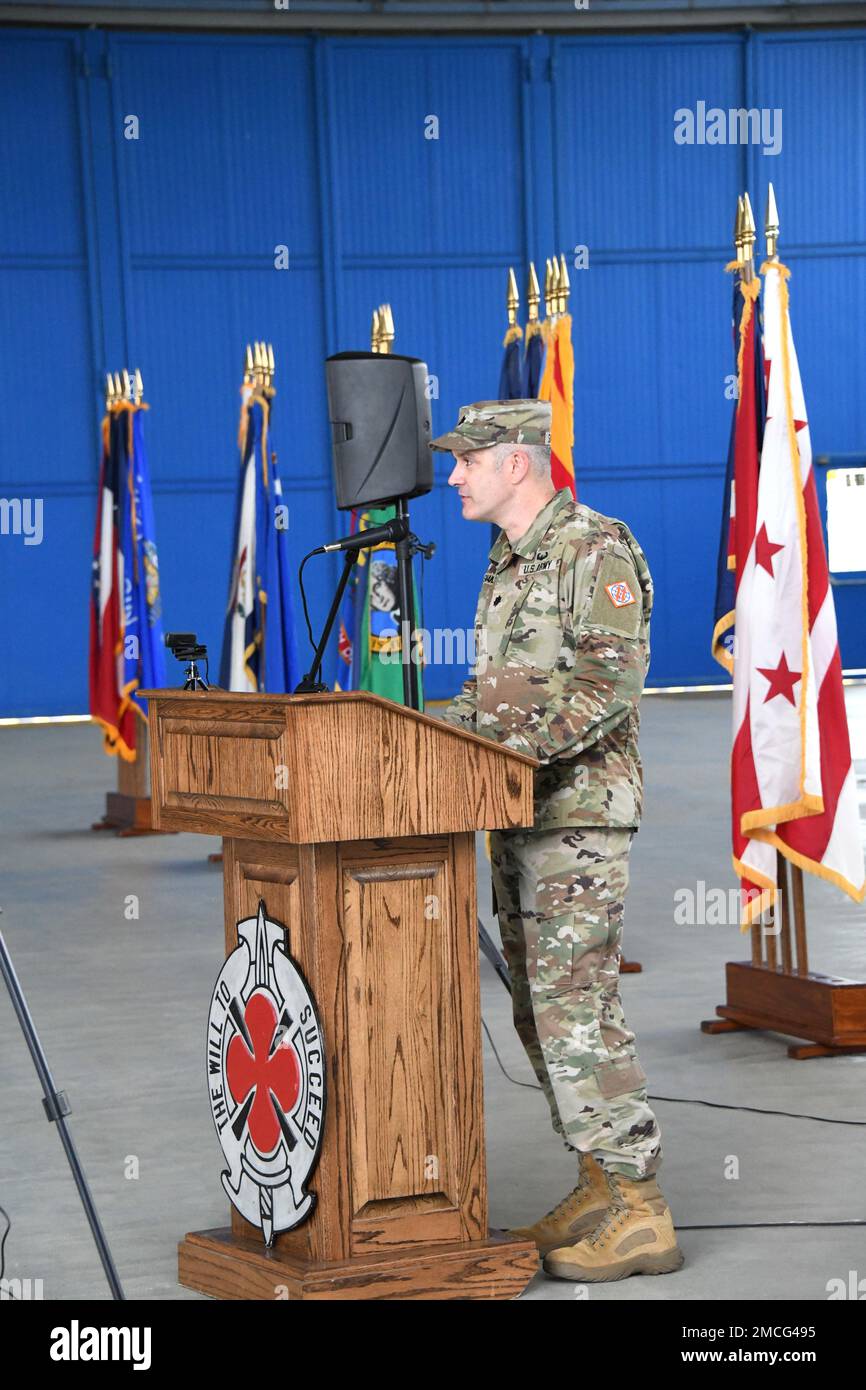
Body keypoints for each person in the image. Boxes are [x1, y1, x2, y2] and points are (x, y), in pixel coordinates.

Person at [428, 399, 683, 1283]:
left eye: (466, 460)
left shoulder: (594, 548)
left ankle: (641, 1207)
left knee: (578, 1010)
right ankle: (597, 1178)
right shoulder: (508, 559)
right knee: (537, 1011)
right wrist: (421, 733)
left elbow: (607, 685)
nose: (452, 475)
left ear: (515, 464)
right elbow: (495, 693)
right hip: (518, 812)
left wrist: (501, 757)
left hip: (576, 818)